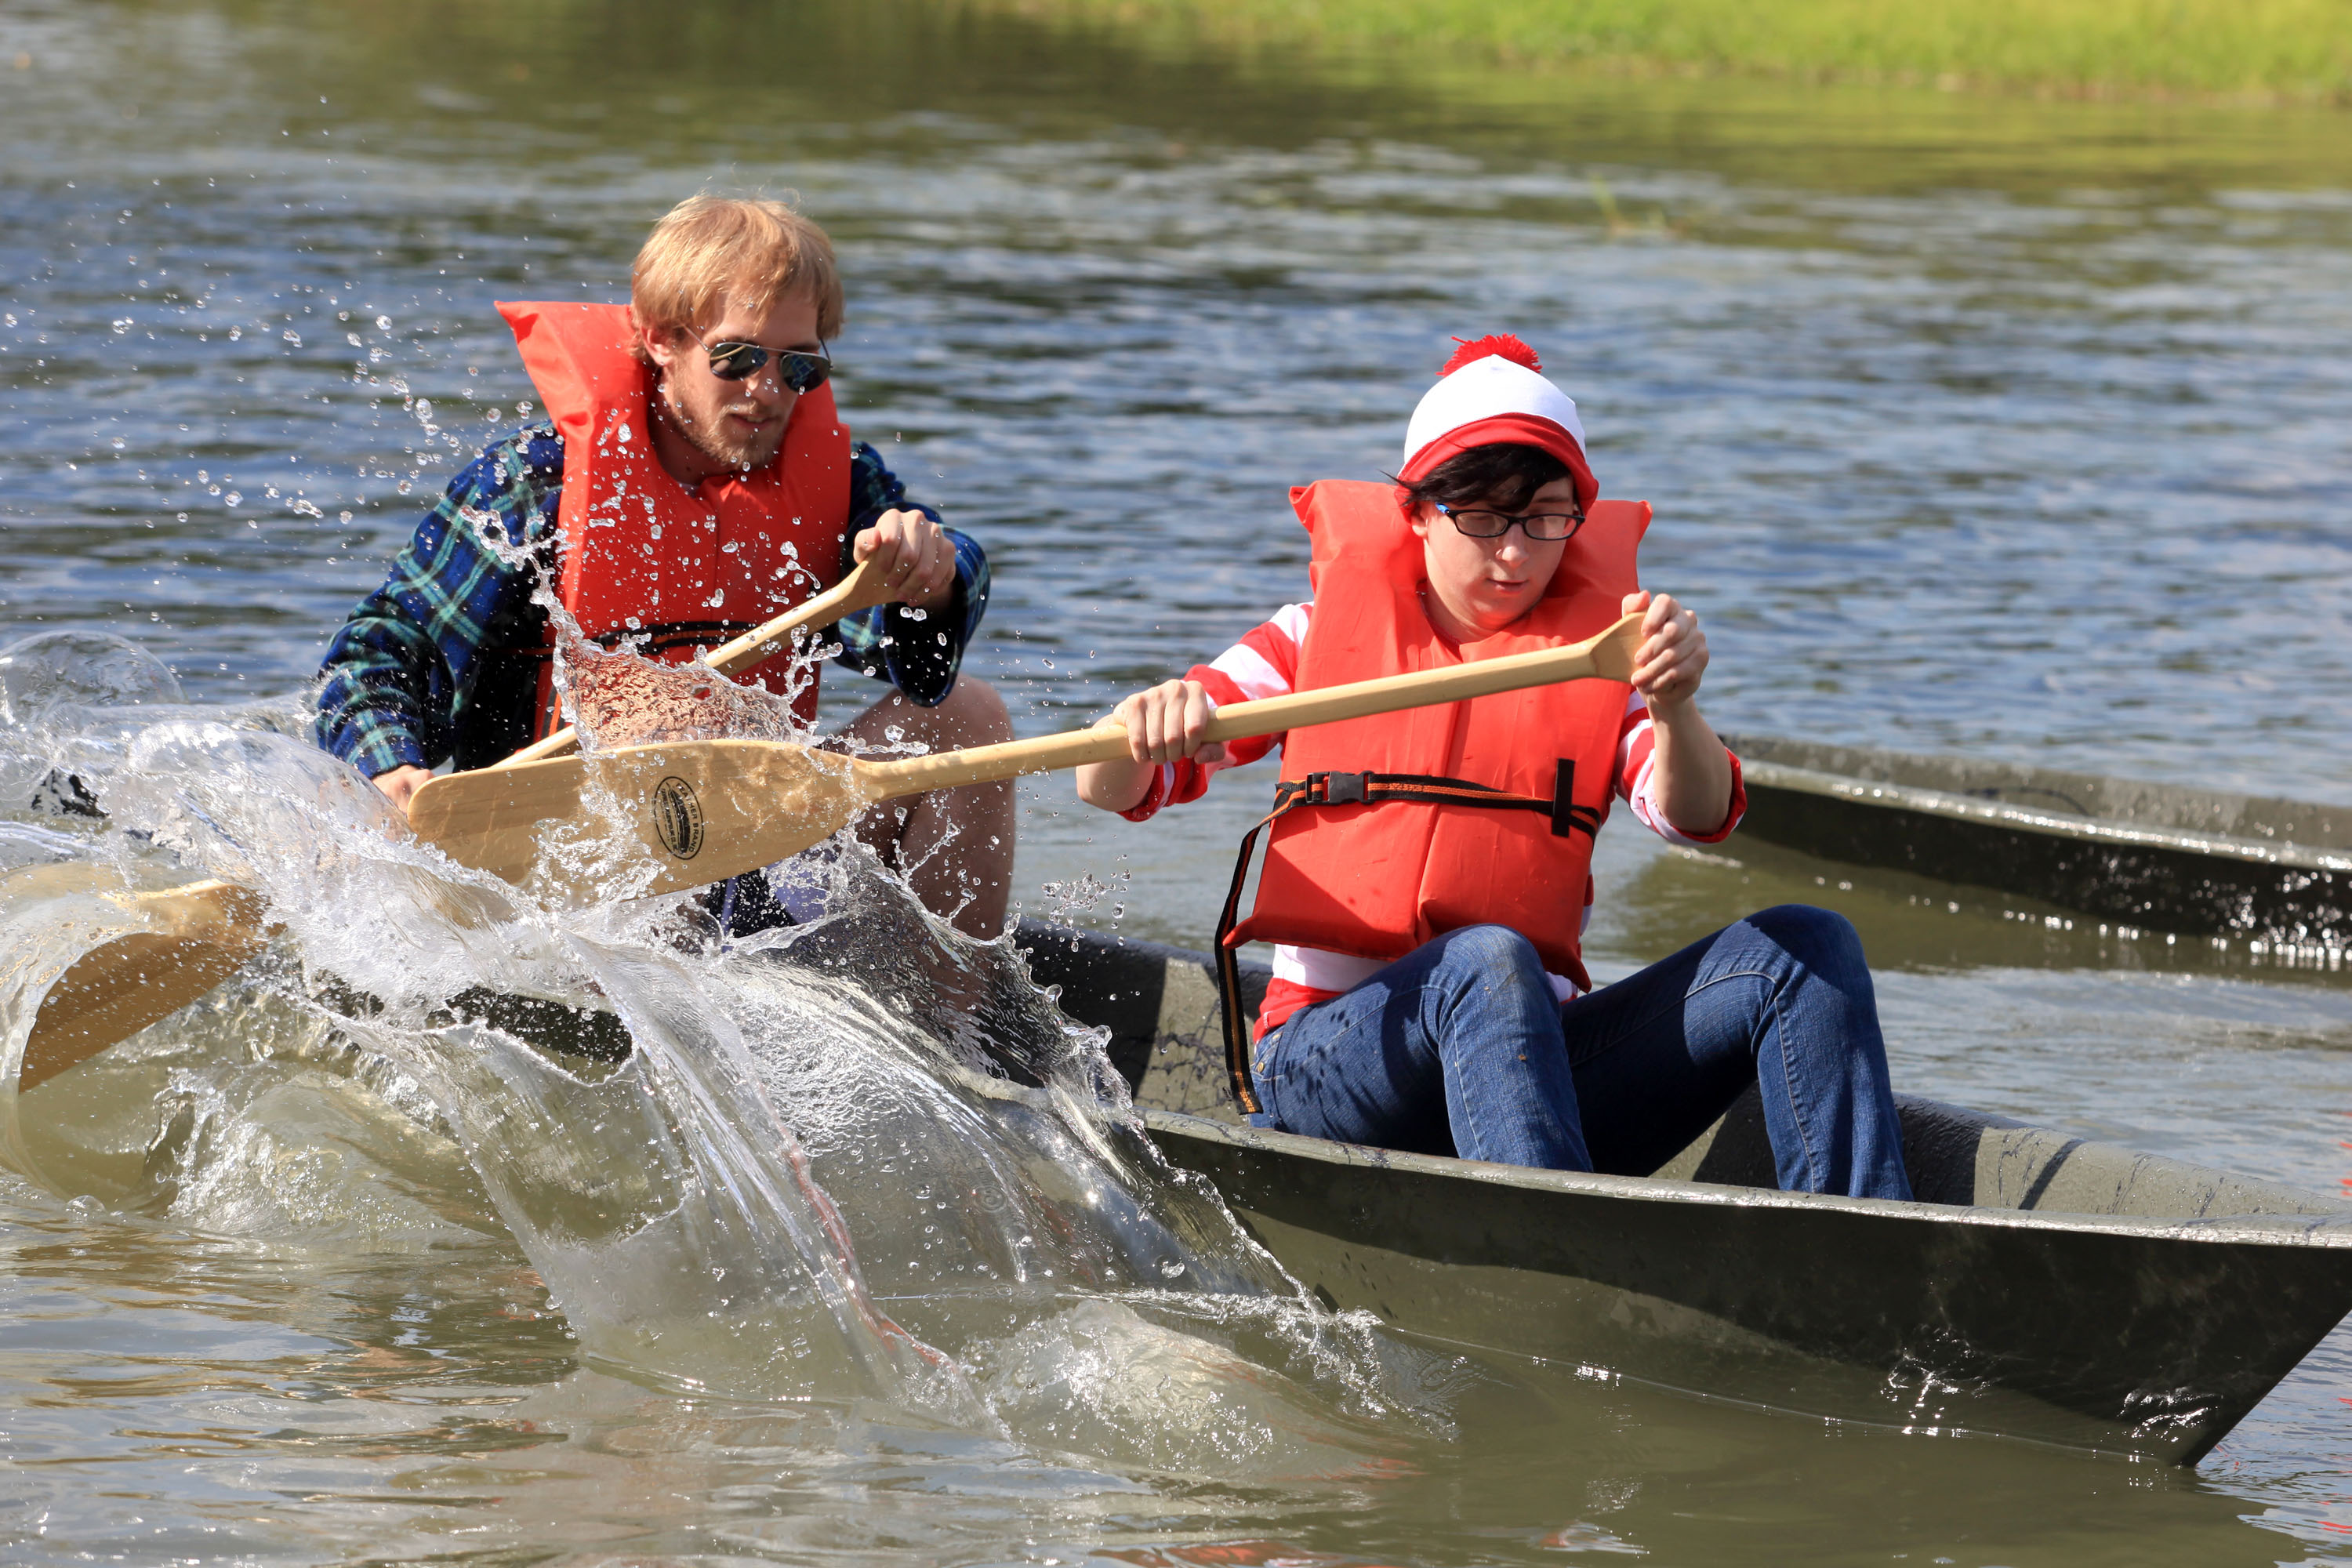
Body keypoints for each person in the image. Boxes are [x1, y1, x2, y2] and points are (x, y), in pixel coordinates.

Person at [1075, 335, 1910, 1199]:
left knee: (1808, 946)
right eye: (1481, 518)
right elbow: (1108, 789)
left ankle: (1859, 1242)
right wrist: (1141, 723)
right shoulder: (1310, 639)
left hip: (1532, 1070)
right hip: (1329, 1064)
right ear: (1418, 513)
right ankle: (1553, 1247)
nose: (1515, 554)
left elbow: (1695, 816)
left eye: (1545, 518)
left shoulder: (1600, 661)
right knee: (1486, 959)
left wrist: (1672, 703)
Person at [316, 195, 1013, 938]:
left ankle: (954, 1008)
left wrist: (935, 572)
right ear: (661, 339)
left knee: (969, 715)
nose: (767, 390)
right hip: (567, 874)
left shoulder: (842, 487)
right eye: (738, 357)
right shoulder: (534, 487)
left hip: (756, 853)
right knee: (654, 758)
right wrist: (390, 768)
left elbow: (920, 659)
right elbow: (375, 654)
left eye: (798, 365)